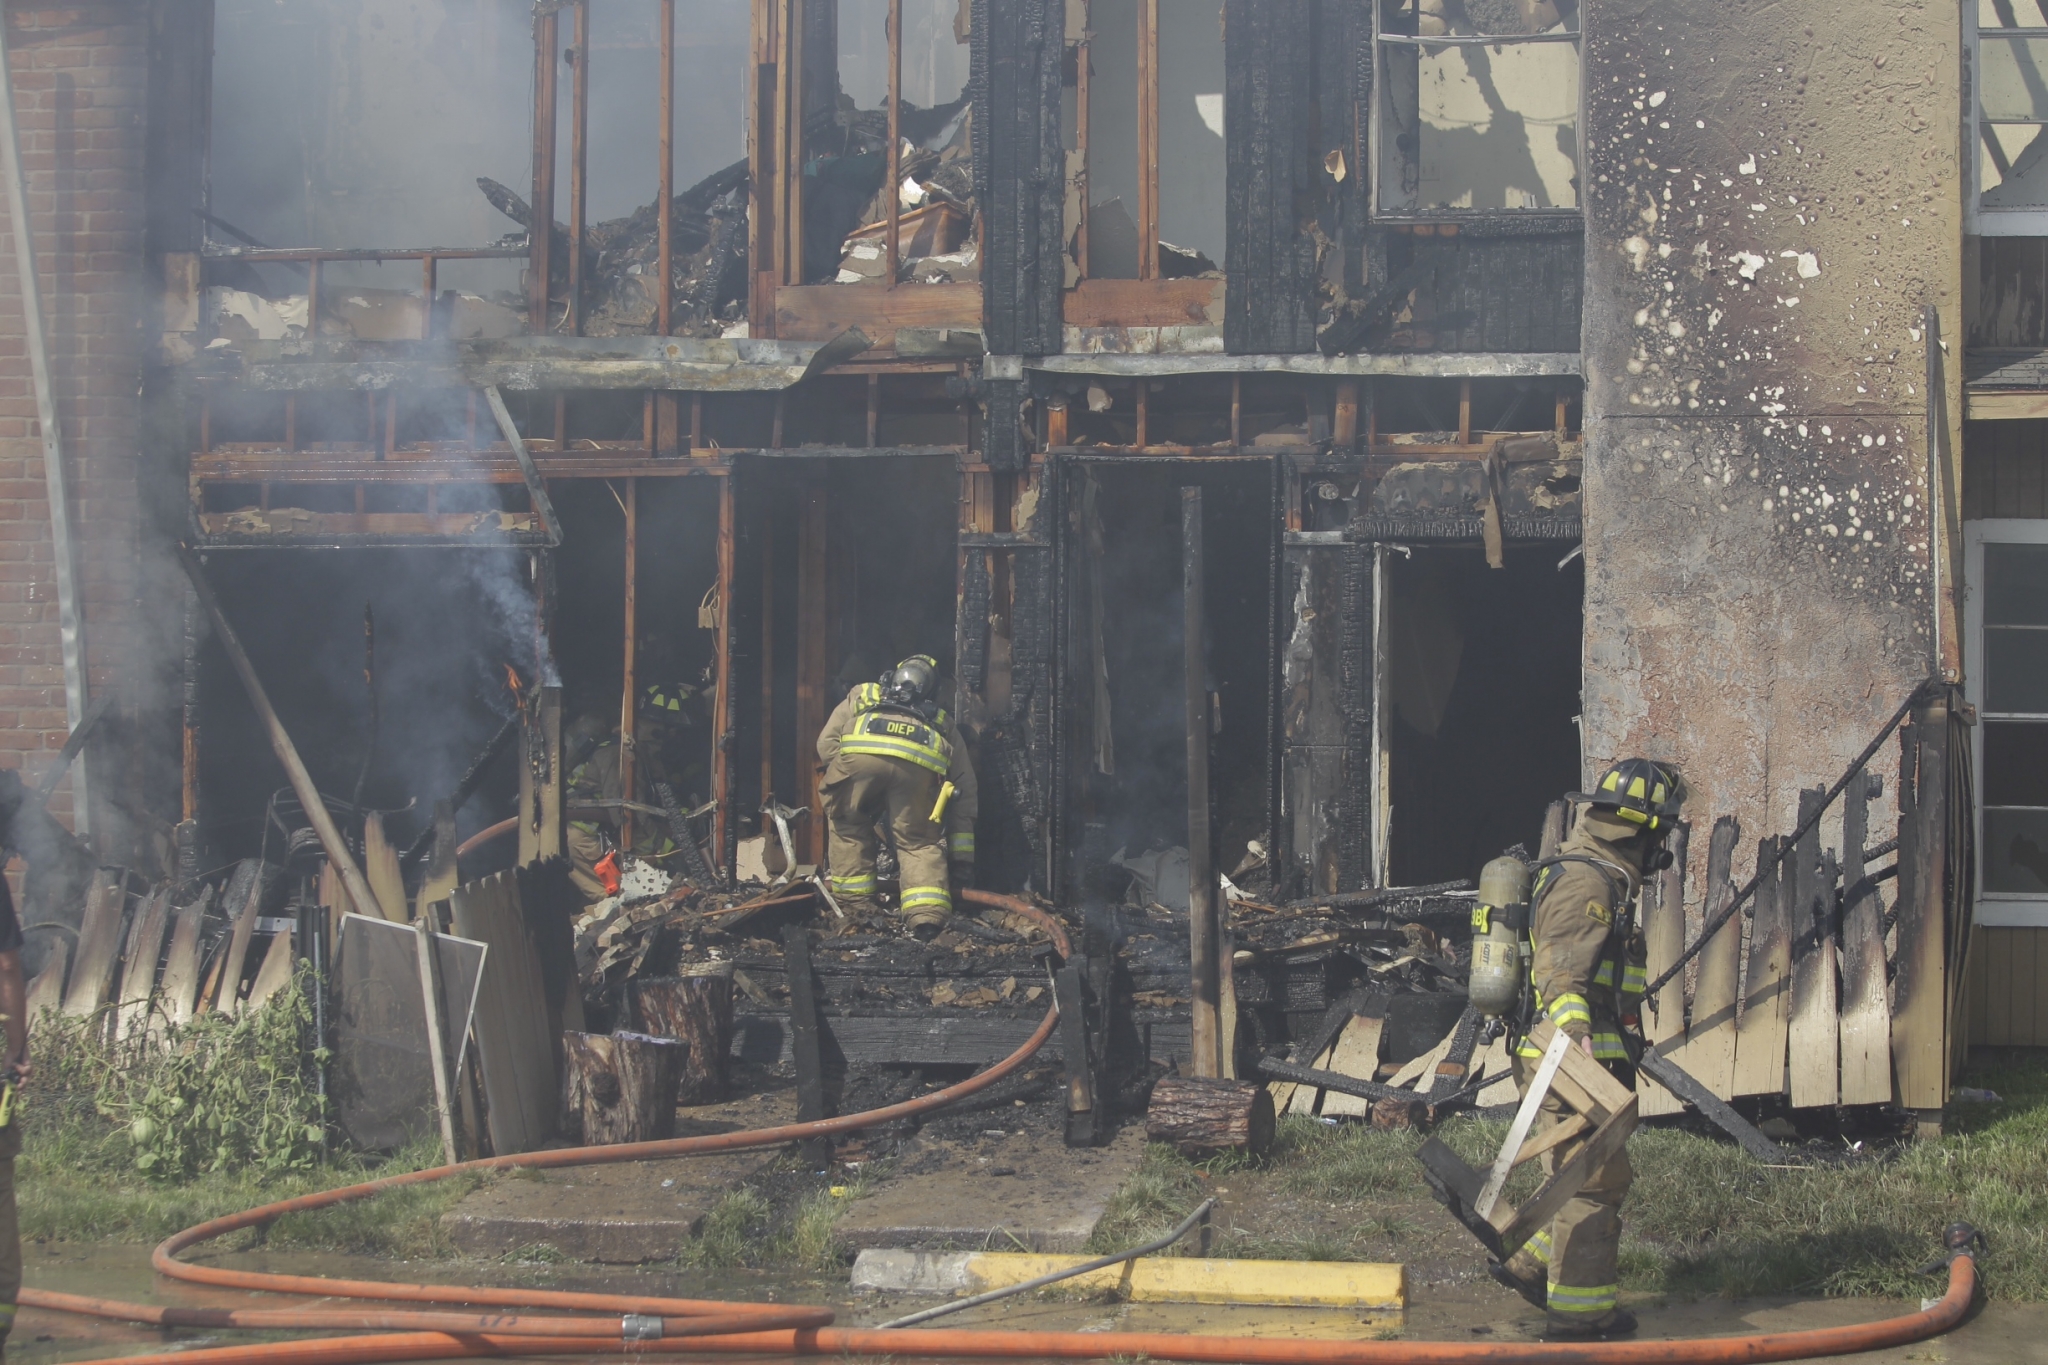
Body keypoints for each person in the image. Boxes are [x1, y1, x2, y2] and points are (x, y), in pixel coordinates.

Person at [1489, 757, 1685, 1342]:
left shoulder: (1601, 875)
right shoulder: (1587, 883)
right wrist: (1580, 1050)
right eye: (1662, 833)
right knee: (1592, 1181)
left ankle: (1528, 1267)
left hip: (1575, 1054)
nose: (1664, 848)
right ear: (1640, 829)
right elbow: (1561, 977)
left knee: (1577, 1176)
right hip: (1569, 1057)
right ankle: (1582, 1316)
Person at [816, 654, 977, 938]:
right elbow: (964, 785)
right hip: (918, 772)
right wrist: (962, 856)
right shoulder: (940, 721)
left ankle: (856, 909)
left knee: (848, 826)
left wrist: (854, 782)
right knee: (918, 842)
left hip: (857, 763)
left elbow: (826, 744)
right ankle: (926, 918)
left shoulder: (863, 696)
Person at [564, 683, 698, 902]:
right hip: (588, 842)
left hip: (599, 838)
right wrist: (664, 848)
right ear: (656, 728)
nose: (674, 738)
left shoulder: (639, 756)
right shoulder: (620, 757)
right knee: (621, 904)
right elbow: (628, 815)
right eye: (672, 730)